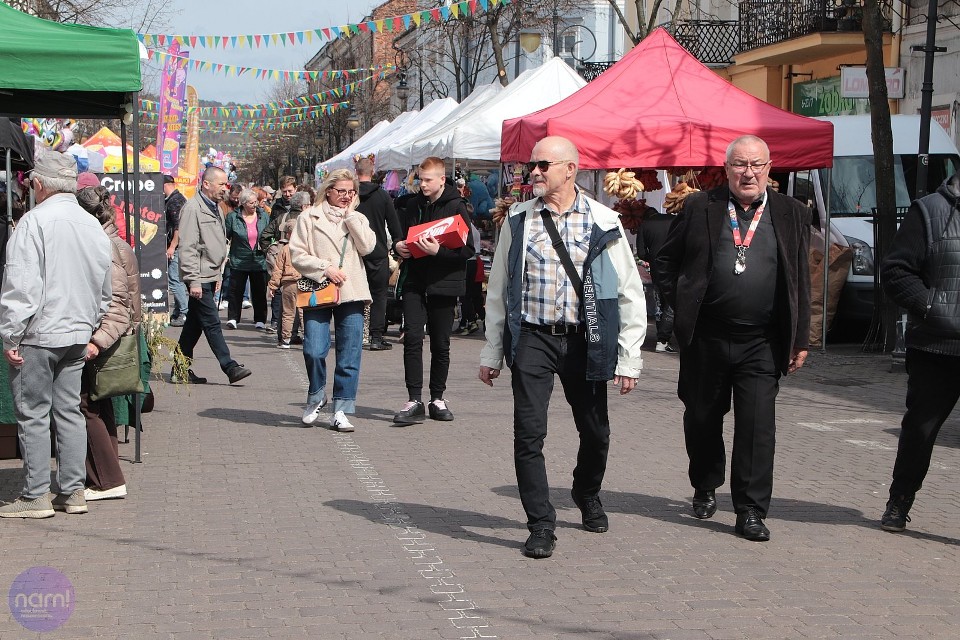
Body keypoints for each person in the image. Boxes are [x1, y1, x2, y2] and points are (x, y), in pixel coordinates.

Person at [479, 136, 646, 559]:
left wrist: (629, 355)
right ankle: (540, 523)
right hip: (533, 337)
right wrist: (491, 351)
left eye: (543, 165)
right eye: (531, 165)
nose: (533, 172)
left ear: (570, 169)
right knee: (528, 432)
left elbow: (629, 291)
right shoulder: (518, 220)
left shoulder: (604, 221)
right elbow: (498, 290)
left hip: (584, 339)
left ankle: (587, 492)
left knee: (595, 431)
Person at [654, 135, 811, 542]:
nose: (749, 172)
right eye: (740, 164)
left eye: (756, 164)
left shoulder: (792, 212)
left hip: (762, 340)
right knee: (702, 417)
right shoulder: (699, 206)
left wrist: (800, 337)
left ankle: (751, 510)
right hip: (707, 336)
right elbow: (665, 262)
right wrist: (680, 303)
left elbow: (799, 279)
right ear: (726, 169)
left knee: (758, 426)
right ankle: (705, 484)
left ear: (769, 167)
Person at [0, 151, 112, 519]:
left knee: (33, 413)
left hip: (40, 332)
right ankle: (72, 491)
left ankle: (35, 495)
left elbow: (21, 285)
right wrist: (91, 324)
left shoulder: (33, 223)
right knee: (68, 411)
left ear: (39, 183)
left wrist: (11, 336)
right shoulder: (91, 224)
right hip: (77, 332)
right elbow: (104, 286)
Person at [877, 171, 960, 533]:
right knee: (920, 432)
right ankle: (900, 500)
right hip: (937, 347)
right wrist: (933, 308)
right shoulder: (930, 211)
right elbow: (897, 272)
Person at [289, 168, 376, 431]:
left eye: (351, 192)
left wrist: (351, 219)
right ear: (328, 190)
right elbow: (297, 253)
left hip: (352, 291)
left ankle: (342, 409)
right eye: (342, 191)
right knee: (314, 348)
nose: (347, 196)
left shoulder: (358, 217)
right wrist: (325, 267)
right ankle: (316, 395)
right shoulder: (309, 217)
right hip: (320, 288)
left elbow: (368, 247)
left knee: (350, 352)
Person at [392, 157, 475, 424]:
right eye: (420, 179)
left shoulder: (456, 206)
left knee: (441, 343)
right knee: (413, 339)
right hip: (415, 280)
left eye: (428, 180)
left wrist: (439, 252)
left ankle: (437, 398)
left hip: (444, 282)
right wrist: (398, 246)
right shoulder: (413, 204)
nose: (423, 185)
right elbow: (402, 235)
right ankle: (414, 399)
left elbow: (468, 250)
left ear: (442, 179)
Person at [75, 174, 140, 501]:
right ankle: (105, 476)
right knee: (99, 406)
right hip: (110, 336)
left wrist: (96, 342)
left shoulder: (104, 246)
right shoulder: (114, 243)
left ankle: (107, 479)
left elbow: (117, 305)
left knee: (88, 406)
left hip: (103, 338)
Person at [174, 166, 252, 385]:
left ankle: (179, 368)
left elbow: (215, 242)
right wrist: (194, 280)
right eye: (221, 184)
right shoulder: (193, 208)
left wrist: (217, 275)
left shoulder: (216, 207)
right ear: (206, 184)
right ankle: (229, 366)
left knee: (194, 325)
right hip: (198, 276)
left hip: (210, 274)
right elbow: (188, 247)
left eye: (226, 184)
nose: (224, 188)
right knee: (212, 322)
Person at [356, 157, 403, 351]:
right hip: (377, 251)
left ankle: (356, 335)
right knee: (379, 295)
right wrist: (398, 244)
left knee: (355, 297)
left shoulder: (350, 195)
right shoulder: (382, 196)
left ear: (356, 171)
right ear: (373, 171)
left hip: (355, 252)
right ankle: (376, 337)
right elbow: (393, 223)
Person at [224, 189, 270, 330]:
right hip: (239, 259)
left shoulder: (264, 216)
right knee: (235, 291)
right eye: (251, 203)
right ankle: (233, 318)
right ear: (243, 203)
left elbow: (269, 234)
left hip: (259, 260)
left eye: (255, 202)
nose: (254, 205)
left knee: (260, 292)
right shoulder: (233, 217)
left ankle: (260, 319)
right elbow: (226, 235)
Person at [637, 203, 677, 352]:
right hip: (675, 266)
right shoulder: (674, 220)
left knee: (660, 302)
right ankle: (663, 339)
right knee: (671, 303)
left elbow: (641, 253)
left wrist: (652, 257)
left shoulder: (645, 225)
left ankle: (662, 339)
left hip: (656, 269)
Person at [267, 218, 301, 349]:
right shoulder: (306, 247)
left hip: (288, 284)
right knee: (304, 312)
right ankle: (308, 336)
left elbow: (278, 269)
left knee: (288, 313)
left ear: (289, 234)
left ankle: (286, 339)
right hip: (303, 282)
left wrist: (273, 286)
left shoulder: (285, 249)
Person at [163, 174, 189, 326]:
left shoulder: (175, 201)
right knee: (177, 278)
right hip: (179, 245)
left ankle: (185, 312)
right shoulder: (177, 199)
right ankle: (179, 310)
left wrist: (172, 246)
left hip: (178, 246)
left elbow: (179, 227)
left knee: (174, 279)